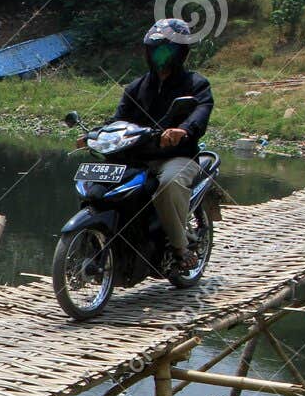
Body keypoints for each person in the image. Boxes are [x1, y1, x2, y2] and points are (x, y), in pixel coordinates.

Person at [88, 17, 215, 273]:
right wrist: (95, 133)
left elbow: (200, 113)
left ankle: (180, 248)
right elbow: (118, 120)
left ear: (180, 51)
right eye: (154, 49)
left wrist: (183, 130)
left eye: (165, 49)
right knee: (100, 182)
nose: (159, 55)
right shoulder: (136, 87)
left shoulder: (196, 84)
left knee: (168, 183)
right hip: (137, 157)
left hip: (177, 157)